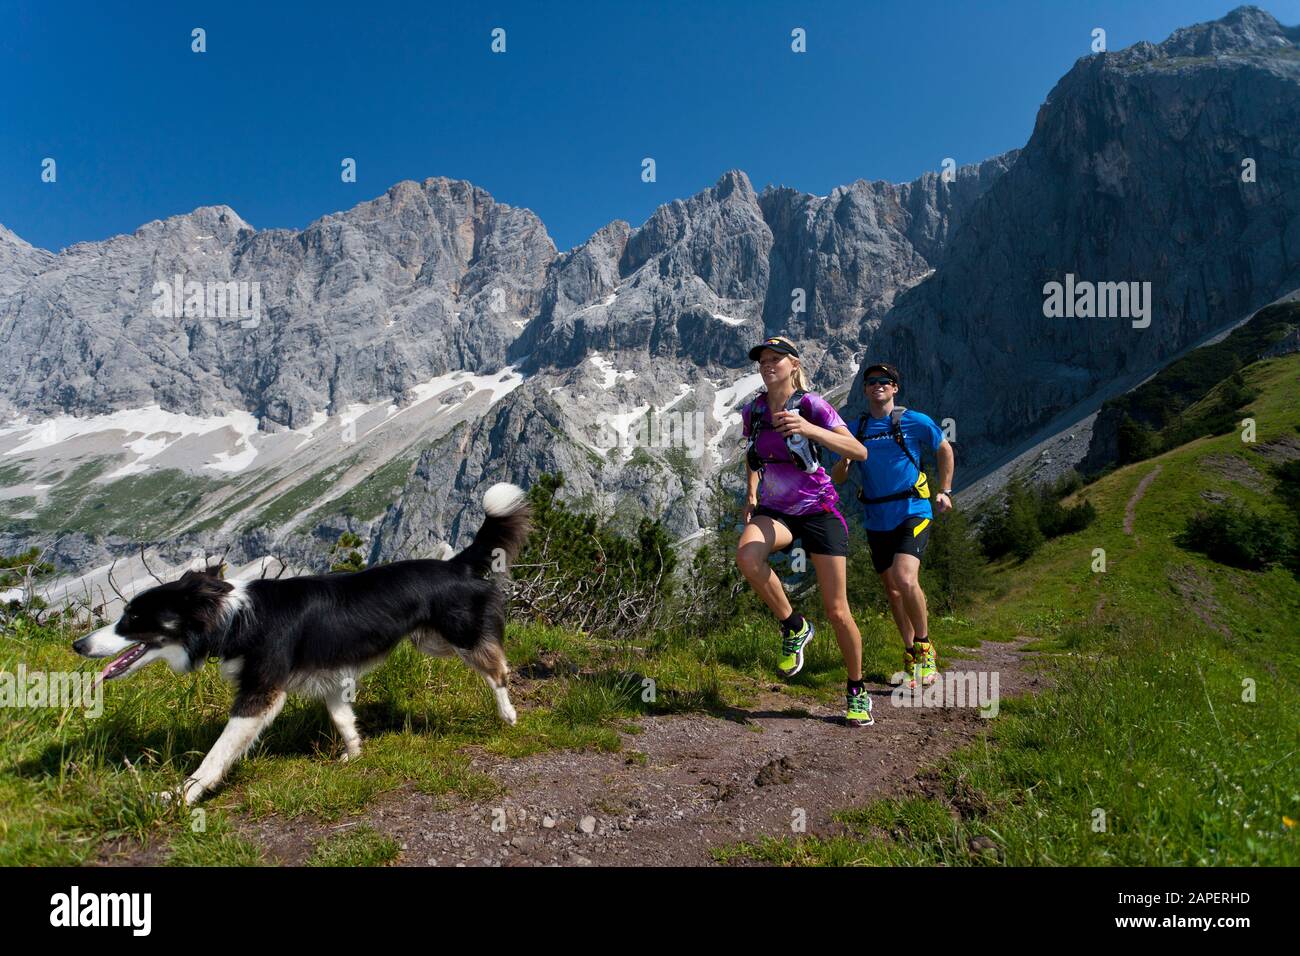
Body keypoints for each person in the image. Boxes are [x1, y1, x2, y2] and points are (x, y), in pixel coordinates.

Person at [734, 336, 874, 726]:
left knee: (837, 609)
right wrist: (750, 492)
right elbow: (752, 454)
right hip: (776, 509)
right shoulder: (755, 411)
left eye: (775, 359)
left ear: (794, 365)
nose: (767, 364)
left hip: (819, 510)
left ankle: (857, 689)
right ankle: (794, 626)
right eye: (762, 360)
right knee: (747, 556)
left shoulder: (812, 405)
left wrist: (809, 429)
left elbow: (857, 451)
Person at [831, 362, 954, 688]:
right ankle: (911, 653)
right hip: (876, 517)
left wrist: (945, 490)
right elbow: (838, 477)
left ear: (895, 387)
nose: (878, 385)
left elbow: (943, 447)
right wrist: (844, 458)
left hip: (913, 510)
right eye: (871, 382)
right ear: (865, 389)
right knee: (892, 590)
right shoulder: (855, 428)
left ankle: (925, 647)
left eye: (885, 381)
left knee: (904, 577)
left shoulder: (914, 420)